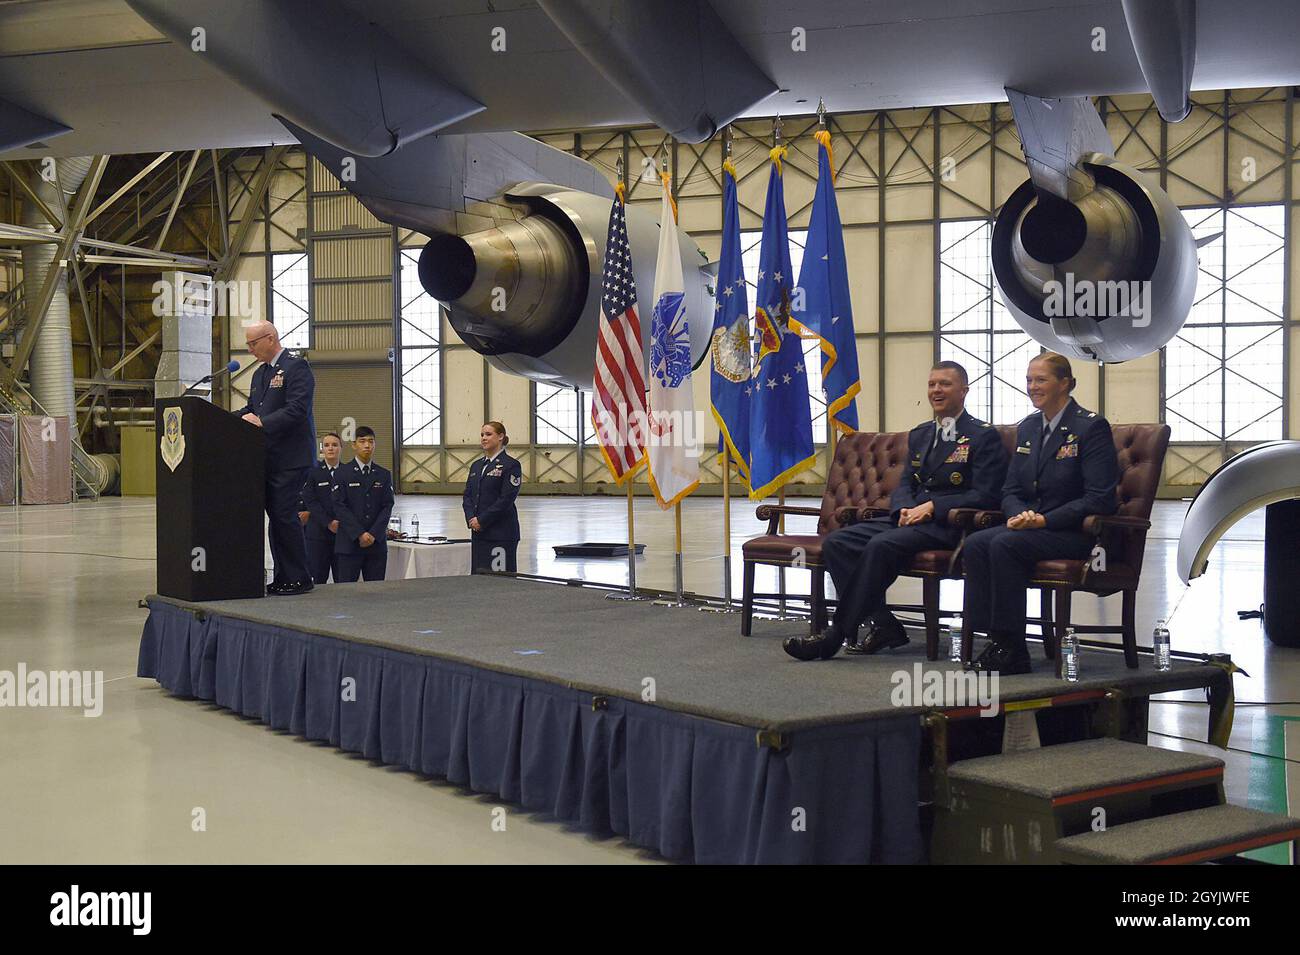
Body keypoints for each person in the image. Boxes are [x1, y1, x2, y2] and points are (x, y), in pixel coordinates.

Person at [784, 361, 1007, 661]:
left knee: (880, 545)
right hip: (910, 521)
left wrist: (932, 507)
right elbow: (905, 484)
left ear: (964, 391)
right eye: (932, 384)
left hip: (950, 526)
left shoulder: (982, 436)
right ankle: (884, 623)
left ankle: (835, 634)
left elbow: (987, 494)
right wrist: (903, 508)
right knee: (838, 542)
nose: (936, 390)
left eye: (945, 384)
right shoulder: (922, 434)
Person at [961, 352, 1120, 675]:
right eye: (1029, 380)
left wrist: (1045, 520)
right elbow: (1011, 489)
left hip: (1075, 532)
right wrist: (1019, 515)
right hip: (1033, 527)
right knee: (978, 542)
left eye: (1041, 380)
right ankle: (994, 637)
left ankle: (1014, 649)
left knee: (1004, 545)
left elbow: (1099, 499)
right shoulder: (1030, 426)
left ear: (1066, 383)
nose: (1033, 386)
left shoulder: (1090, 428)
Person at [234, 320, 316, 596]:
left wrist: (262, 423)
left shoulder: (296, 368)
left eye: (253, 343)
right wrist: (228, 419)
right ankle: (284, 575)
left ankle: (299, 577)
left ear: (270, 339)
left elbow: (297, 409)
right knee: (277, 517)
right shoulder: (260, 375)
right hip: (267, 459)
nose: (250, 349)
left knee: (283, 515)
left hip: (291, 458)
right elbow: (251, 408)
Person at [332, 426, 395, 582]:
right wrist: (359, 533)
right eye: (362, 441)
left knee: (375, 592)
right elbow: (339, 506)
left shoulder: (384, 474)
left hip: (376, 545)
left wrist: (373, 534)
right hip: (349, 544)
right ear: (354, 445)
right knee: (347, 592)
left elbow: (387, 506)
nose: (367, 445)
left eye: (371, 441)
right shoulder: (342, 473)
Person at [463, 421, 521, 573]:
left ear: (501, 436)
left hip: (501, 534)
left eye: (488, 434)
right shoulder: (476, 465)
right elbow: (468, 495)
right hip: (479, 534)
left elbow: (506, 500)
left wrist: (482, 520)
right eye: (482, 435)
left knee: (499, 581)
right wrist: (471, 520)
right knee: (479, 578)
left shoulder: (511, 465)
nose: (483, 438)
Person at [298, 431, 343, 585]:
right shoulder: (313, 473)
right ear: (322, 449)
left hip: (342, 534)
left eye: (335, 445)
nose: (331, 448)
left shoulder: (348, 472)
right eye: (327, 445)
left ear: (340, 448)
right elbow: (310, 500)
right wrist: (328, 522)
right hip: (318, 535)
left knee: (343, 579)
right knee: (318, 579)